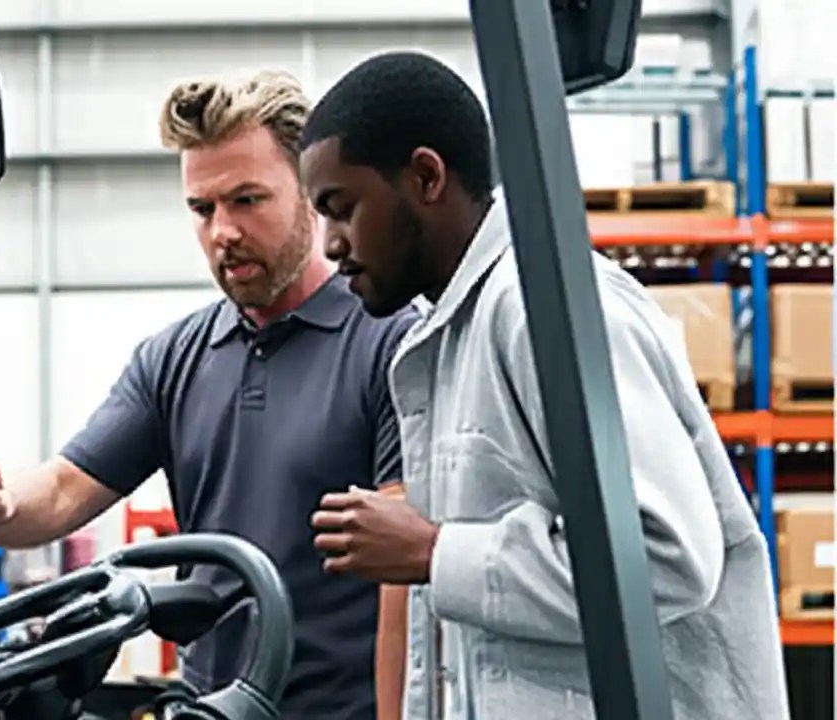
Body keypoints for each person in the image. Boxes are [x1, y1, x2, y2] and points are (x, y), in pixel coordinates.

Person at [0, 70, 417, 719]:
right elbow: (62, 490)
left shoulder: (390, 343)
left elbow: (407, 581)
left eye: (247, 200)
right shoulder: (174, 358)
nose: (222, 231)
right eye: (203, 209)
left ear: (311, 192)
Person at [300, 51, 790, 719]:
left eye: (341, 209)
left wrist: (434, 550)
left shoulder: (545, 313)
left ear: (426, 177)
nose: (330, 244)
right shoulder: (452, 336)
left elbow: (668, 558)